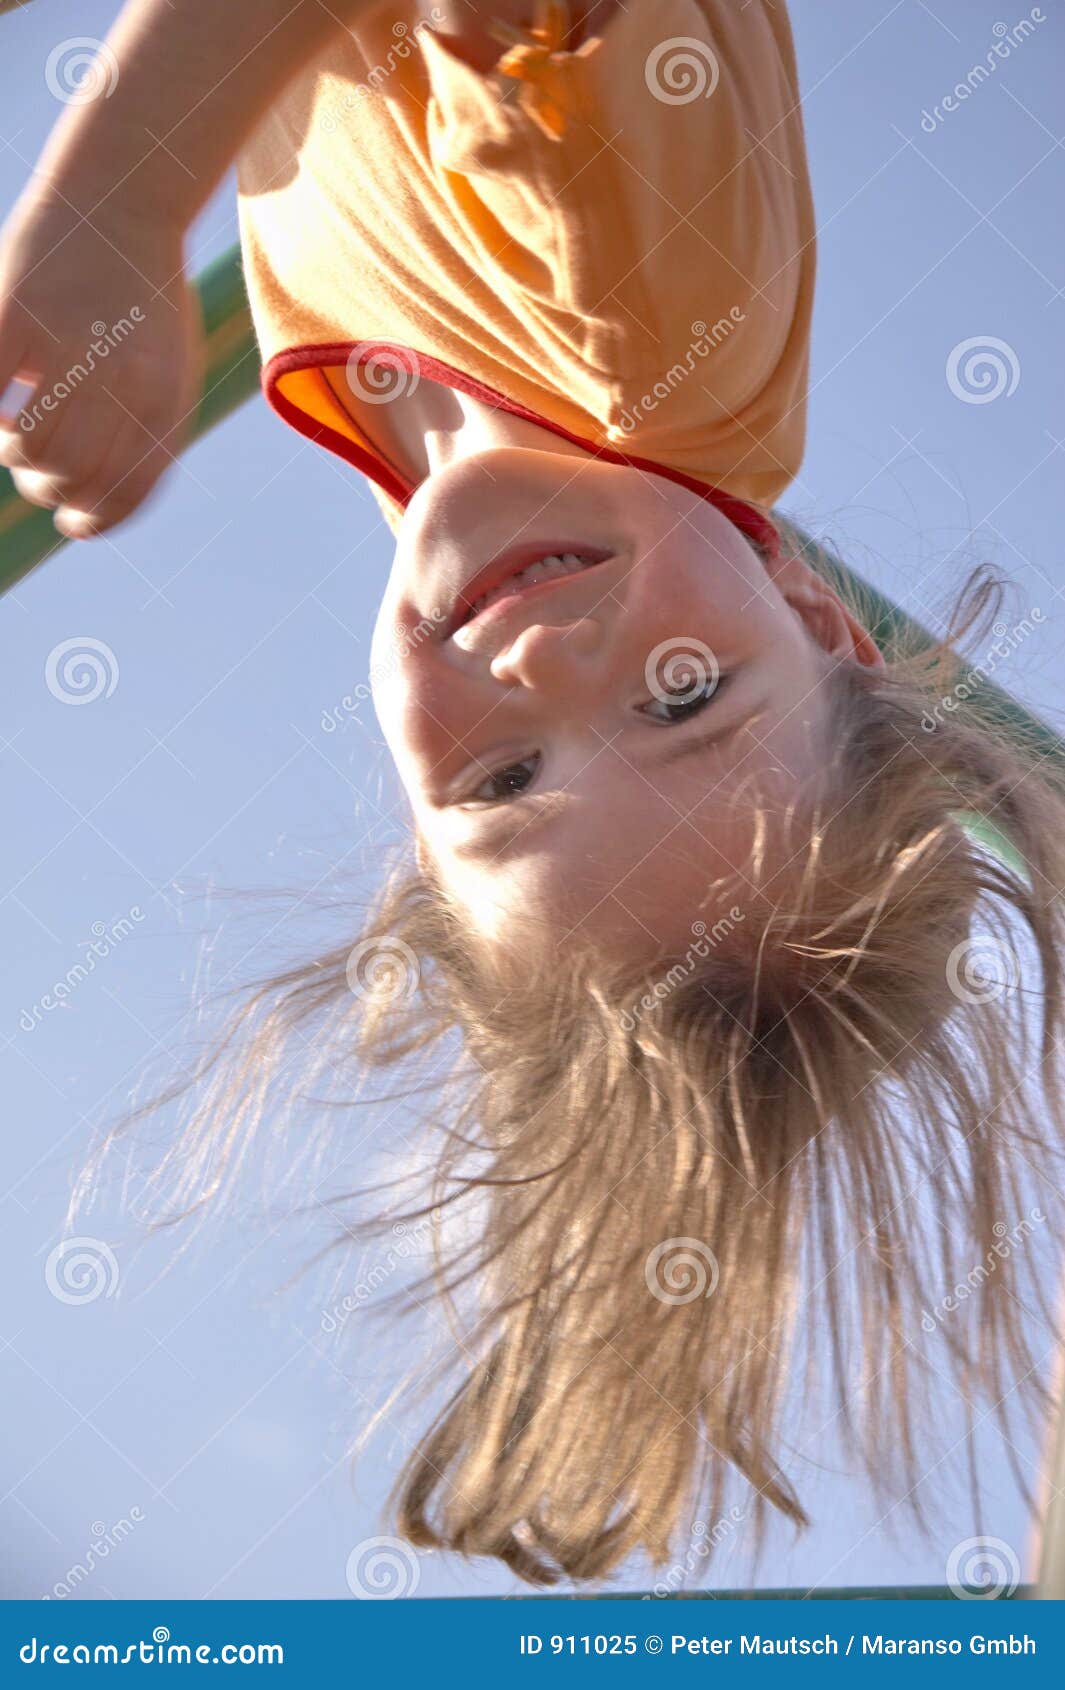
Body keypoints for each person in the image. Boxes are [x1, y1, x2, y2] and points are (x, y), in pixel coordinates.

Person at [4, 0, 1064, 1586]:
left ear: (421, 844)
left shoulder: (437, 411)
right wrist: (119, 203)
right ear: (828, 627)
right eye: (685, 699)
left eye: (506, 781)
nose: (546, 661)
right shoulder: (635, 312)